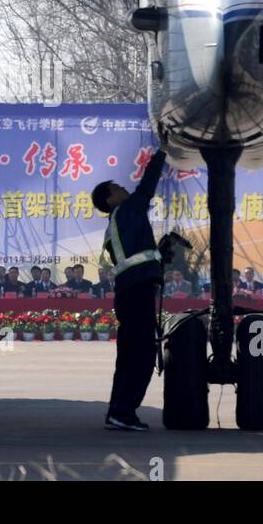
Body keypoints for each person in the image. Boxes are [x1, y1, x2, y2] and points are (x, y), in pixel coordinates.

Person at [92, 138, 167, 432]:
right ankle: (123, 412)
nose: (125, 190)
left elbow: (139, 252)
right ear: (110, 198)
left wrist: (158, 255)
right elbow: (148, 185)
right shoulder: (129, 210)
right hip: (137, 292)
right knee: (143, 353)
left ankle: (118, 412)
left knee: (128, 356)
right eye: (119, 188)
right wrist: (162, 153)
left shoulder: (118, 221)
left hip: (129, 291)